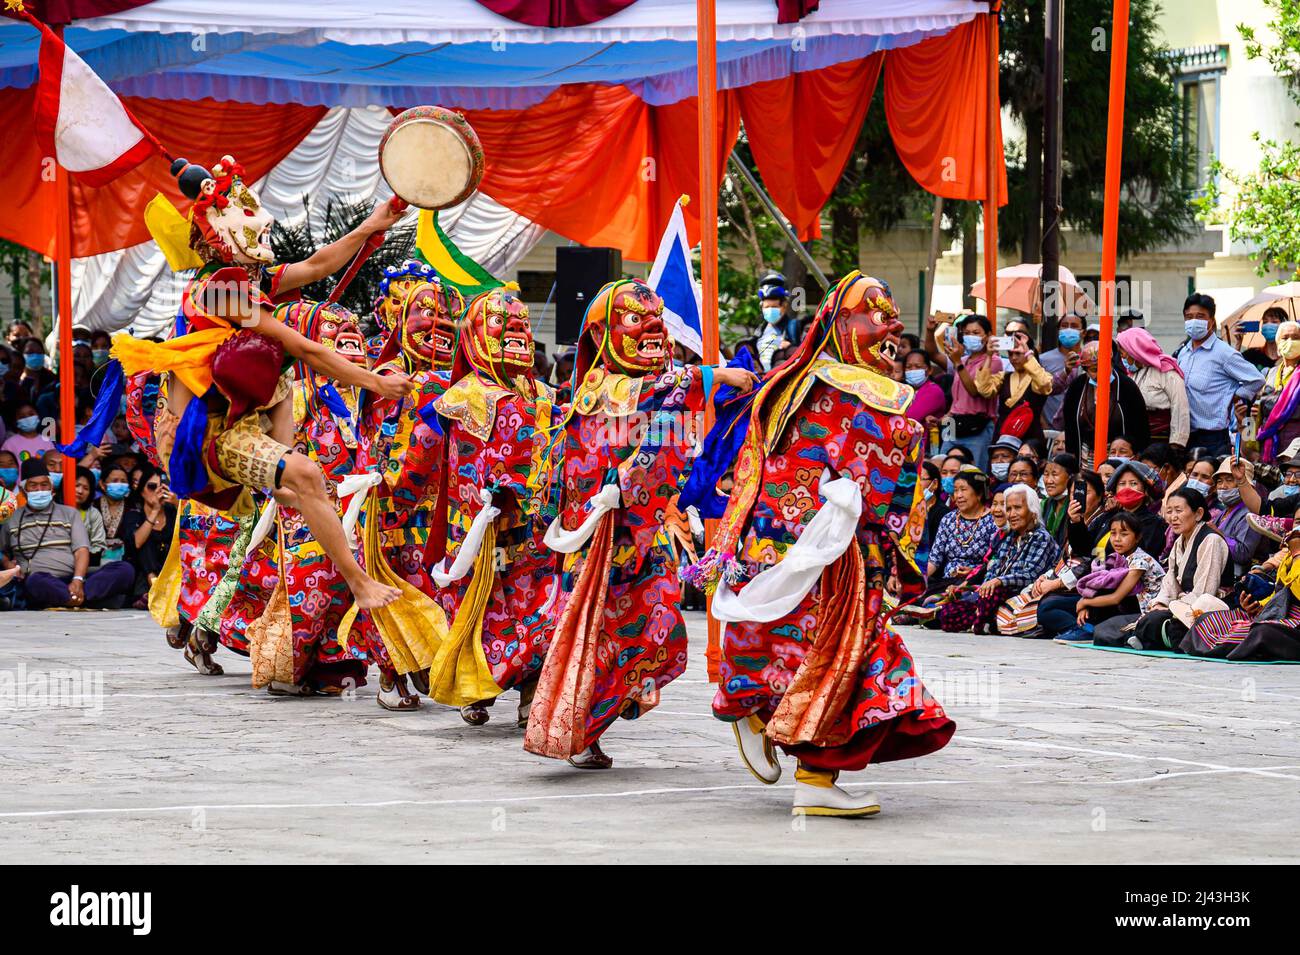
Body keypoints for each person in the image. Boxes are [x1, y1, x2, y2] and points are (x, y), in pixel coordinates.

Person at [696, 271, 952, 818]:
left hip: (838, 552)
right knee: (825, 655)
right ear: (841, 324)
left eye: (892, 311)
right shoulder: (822, 386)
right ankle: (799, 760)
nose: (894, 323)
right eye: (877, 311)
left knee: (834, 659)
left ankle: (793, 751)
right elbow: (838, 473)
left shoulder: (815, 384)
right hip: (818, 553)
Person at [108, 155, 412, 613]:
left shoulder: (251, 279)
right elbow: (308, 348)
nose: (263, 221)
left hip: (241, 422)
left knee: (300, 461)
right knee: (305, 464)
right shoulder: (219, 290)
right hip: (208, 435)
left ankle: (285, 497)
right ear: (219, 233)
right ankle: (359, 584)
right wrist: (373, 381)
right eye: (247, 215)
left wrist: (371, 223)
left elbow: (316, 264)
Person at [527, 279, 758, 770]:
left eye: (657, 317)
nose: (654, 326)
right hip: (598, 542)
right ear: (603, 334)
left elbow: (664, 418)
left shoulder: (645, 393)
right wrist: (718, 375)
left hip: (641, 538)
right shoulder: (597, 388)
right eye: (635, 319)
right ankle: (578, 727)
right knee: (594, 637)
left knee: (660, 629)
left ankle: (603, 709)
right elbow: (657, 393)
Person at [425, 287, 559, 727]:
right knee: (481, 612)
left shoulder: (544, 393)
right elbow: (466, 460)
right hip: (482, 532)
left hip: (537, 529)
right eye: (504, 323)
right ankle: (475, 686)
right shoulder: (466, 394)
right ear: (474, 336)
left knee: (540, 612)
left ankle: (529, 695)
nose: (517, 330)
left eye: (523, 322)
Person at [0, 457, 134, 609]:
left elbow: (81, 550)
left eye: (44, 485)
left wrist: (77, 579)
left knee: (125, 569)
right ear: (23, 491)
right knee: (34, 581)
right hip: (42, 580)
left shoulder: (69, 513)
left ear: (52, 489)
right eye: (33, 486)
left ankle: (71, 598)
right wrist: (6, 562)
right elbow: (2, 551)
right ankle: (83, 599)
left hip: (76, 579)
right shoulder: (12, 519)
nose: (40, 490)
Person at [1116, 487, 1228, 651]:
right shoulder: (1179, 542)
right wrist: (1159, 603)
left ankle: (1144, 636)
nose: (1173, 517)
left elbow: (1206, 591)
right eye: (1169, 511)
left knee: (1153, 623)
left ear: (1198, 513)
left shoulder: (1211, 540)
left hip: (1204, 609)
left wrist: (1171, 607)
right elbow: (1170, 582)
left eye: (1179, 510)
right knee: (1111, 627)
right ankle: (1143, 635)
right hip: (1180, 605)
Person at [937, 483, 1059, 633]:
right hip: (994, 598)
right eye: (1009, 509)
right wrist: (985, 585)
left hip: (1020, 594)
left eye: (1018, 508)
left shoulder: (1041, 538)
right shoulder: (1009, 537)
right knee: (948, 613)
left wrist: (999, 581)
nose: (1012, 514)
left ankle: (983, 620)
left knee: (992, 595)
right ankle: (985, 620)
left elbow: (1030, 575)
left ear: (1033, 511)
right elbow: (993, 568)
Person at [1037, 511, 1165, 642]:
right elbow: (1100, 582)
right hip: (1113, 604)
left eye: (1124, 534)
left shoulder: (1140, 561)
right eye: (1113, 533)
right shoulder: (1119, 557)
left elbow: (1116, 598)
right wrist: (1085, 604)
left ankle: (1086, 630)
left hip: (1141, 611)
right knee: (1047, 607)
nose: (1117, 539)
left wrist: (1085, 602)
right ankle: (1080, 627)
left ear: (1137, 537)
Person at [1179, 525, 1300, 661]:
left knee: (1261, 631)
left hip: (1296, 623)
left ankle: (1230, 646)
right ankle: (1225, 646)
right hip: (1279, 614)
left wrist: (1297, 554)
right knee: (1207, 619)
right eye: (1297, 521)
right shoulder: (1288, 557)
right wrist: (1258, 606)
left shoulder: (1295, 554)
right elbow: (1279, 594)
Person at [1174, 292, 1264, 456]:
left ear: (1211, 320)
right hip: (1185, 436)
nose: (1194, 321)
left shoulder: (1224, 353)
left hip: (1213, 439)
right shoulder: (1183, 353)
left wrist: (1235, 396)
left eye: (1200, 316)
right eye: (1189, 316)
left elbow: (1256, 379)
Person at [1060, 341, 1149, 462]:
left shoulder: (1127, 386)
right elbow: (1070, 426)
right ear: (1085, 369)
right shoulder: (1077, 386)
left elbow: (1141, 426)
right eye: (1094, 369)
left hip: (1119, 455)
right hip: (1086, 456)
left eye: (1104, 368)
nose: (1100, 374)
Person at [939, 314, 1001, 470]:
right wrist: (948, 414)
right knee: (943, 465)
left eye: (976, 333)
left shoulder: (993, 361)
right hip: (952, 422)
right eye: (967, 333)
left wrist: (957, 363)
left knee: (973, 471)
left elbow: (975, 391)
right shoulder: (963, 360)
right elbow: (958, 396)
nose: (970, 337)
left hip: (977, 425)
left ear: (987, 336)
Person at [924, 467, 998, 597]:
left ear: (979, 493)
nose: (958, 495)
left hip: (977, 582)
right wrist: (916, 581)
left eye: (963, 490)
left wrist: (974, 572)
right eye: (956, 490)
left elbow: (994, 560)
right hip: (946, 582)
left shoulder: (993, 521)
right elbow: (934, 559)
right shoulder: (949, 519)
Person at [1117, 327, 1189, 449]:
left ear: (1134, 351)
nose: (1122, 358)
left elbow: (1180, 408)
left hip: (1160, 441)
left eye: (1124, 354)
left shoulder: (1167, 373)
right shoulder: (1132, 375)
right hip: (1136, 442)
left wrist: (1176, 444)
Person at [118, 465, 178, 602]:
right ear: (141, 491)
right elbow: (137, 543)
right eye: (151, 487)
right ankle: (153, 585)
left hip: (170, 572)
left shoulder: (173, 512)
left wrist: (177, 504)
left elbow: (190, 535)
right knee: (146, 540)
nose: (157, 491)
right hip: (142, 575)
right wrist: (155, 510)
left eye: (162, 487)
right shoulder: (134, 515)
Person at [1255, 320, 1300, 462]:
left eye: (1296, 338)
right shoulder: (1269, 374)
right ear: (1278, 344)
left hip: (1295, 447)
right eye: (1285, 338)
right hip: (1268, 445)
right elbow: (1256, 415)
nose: (1290, 342)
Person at [1210, 457, 1262, 576]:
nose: (1223, 486)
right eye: (1219, 481)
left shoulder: (1250, 513)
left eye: (1229, 480)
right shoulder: (1222, 513)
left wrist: (1218, 535)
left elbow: (1243, 554)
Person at [1040, 312, 1085, 429]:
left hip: (1080, 428)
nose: (1069, 329)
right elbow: (1037, 396)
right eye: (1064, 325)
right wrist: (1043, 425)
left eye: (1074, 326)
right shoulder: (1043, 360)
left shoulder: (1088, 359)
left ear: (1083, 333)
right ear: (1058, 330)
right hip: (1050, 429)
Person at [755, 271, 802, 371]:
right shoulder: (760, 330)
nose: (770, 310)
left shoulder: (793, 327)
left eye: (774, 307)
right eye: (767, 307)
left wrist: (791, 348)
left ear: (784, 307)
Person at [1040, 452, 1077, 544]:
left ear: (1070, 477)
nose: (1049, 481)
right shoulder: (1044, 504)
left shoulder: (1076, 505)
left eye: (1055, 474)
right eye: (1046, 474)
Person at [73, 466, 106, 565]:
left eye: (86, 488)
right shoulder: (54, 509)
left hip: (86, 564)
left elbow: (98, 545)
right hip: (56, 564)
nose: (80, 491)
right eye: (76, 485)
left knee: (124, 568)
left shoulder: (93, 513)